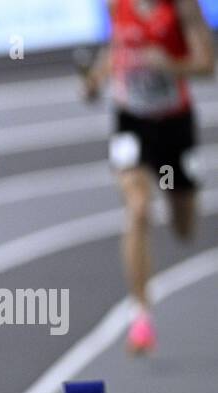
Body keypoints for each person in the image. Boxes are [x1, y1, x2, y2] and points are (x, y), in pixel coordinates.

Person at [82, 0, 214, 354]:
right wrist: (95, 80)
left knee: (184, 226)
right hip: (131, 124)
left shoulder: (182, 8)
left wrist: (168, 64)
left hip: (173, 128)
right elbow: (117, 49)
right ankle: (140, 314)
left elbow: (206, 65)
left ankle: (176, 197)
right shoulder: (117, 5)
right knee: (138, 208)